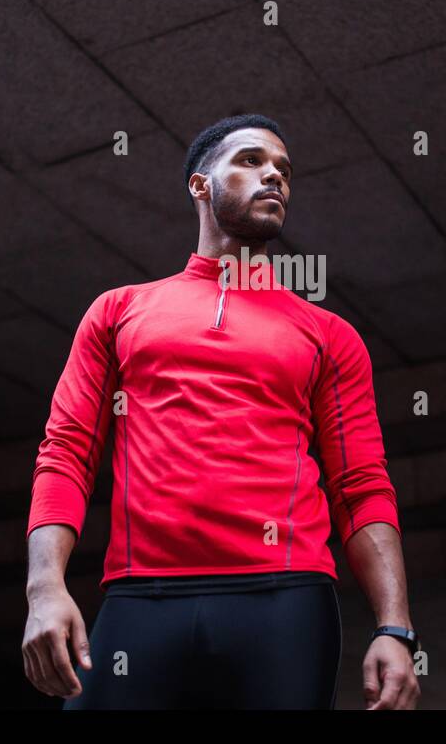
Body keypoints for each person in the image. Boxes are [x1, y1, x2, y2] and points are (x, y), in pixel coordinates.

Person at [21, 113, 421, 709]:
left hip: (285, 600)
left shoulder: (330, 335)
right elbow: (67, 453)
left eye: (284, 169)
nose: (274, 176)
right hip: (140, 596)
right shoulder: (118, 312)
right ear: (200, 185)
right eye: (251, 160)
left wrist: (395, 627)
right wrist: (44, 588)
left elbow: (361, 487)